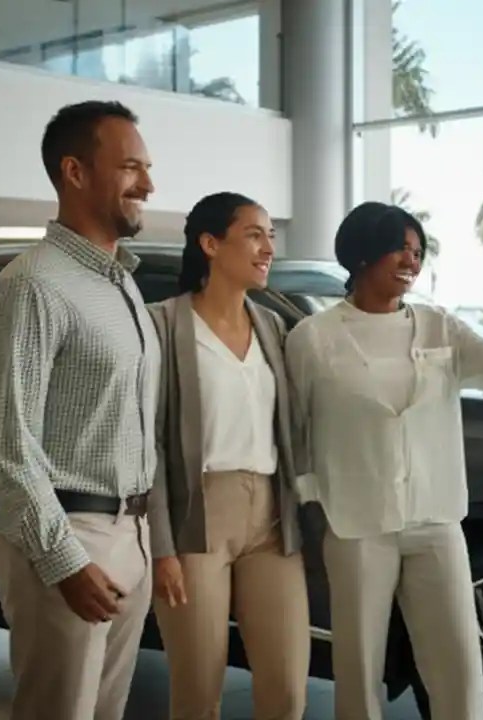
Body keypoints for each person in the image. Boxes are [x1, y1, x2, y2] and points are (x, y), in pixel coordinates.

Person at [285, 201, 483, 719]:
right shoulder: (312, 339)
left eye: (418, 251)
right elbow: (295, 428)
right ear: (363, 252)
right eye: (400, 248)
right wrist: (313, 495)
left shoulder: (440, 328)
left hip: (435, 519)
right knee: (358, 669)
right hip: (356, 526)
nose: (411, 260)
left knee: (458, 665)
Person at [0, 100, 160, 720]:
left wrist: (148, 541)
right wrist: (64, 560)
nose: (148, 185)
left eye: (147, 168)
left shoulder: (123, 283)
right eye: (131, 167)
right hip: (70, 535)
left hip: (129, 533)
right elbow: (10, 447)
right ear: (75, 172)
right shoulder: (32, 286)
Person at [146, 192, 309, 720]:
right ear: (210, 244)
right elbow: (146, 442)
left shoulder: (272, 328)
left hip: (270, 520)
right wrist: (162, 545)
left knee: (287, 690)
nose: (268, 248)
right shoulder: (162, 326)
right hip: (196, 522)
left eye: (271, 237)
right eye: (254, 235)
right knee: (197, 693)